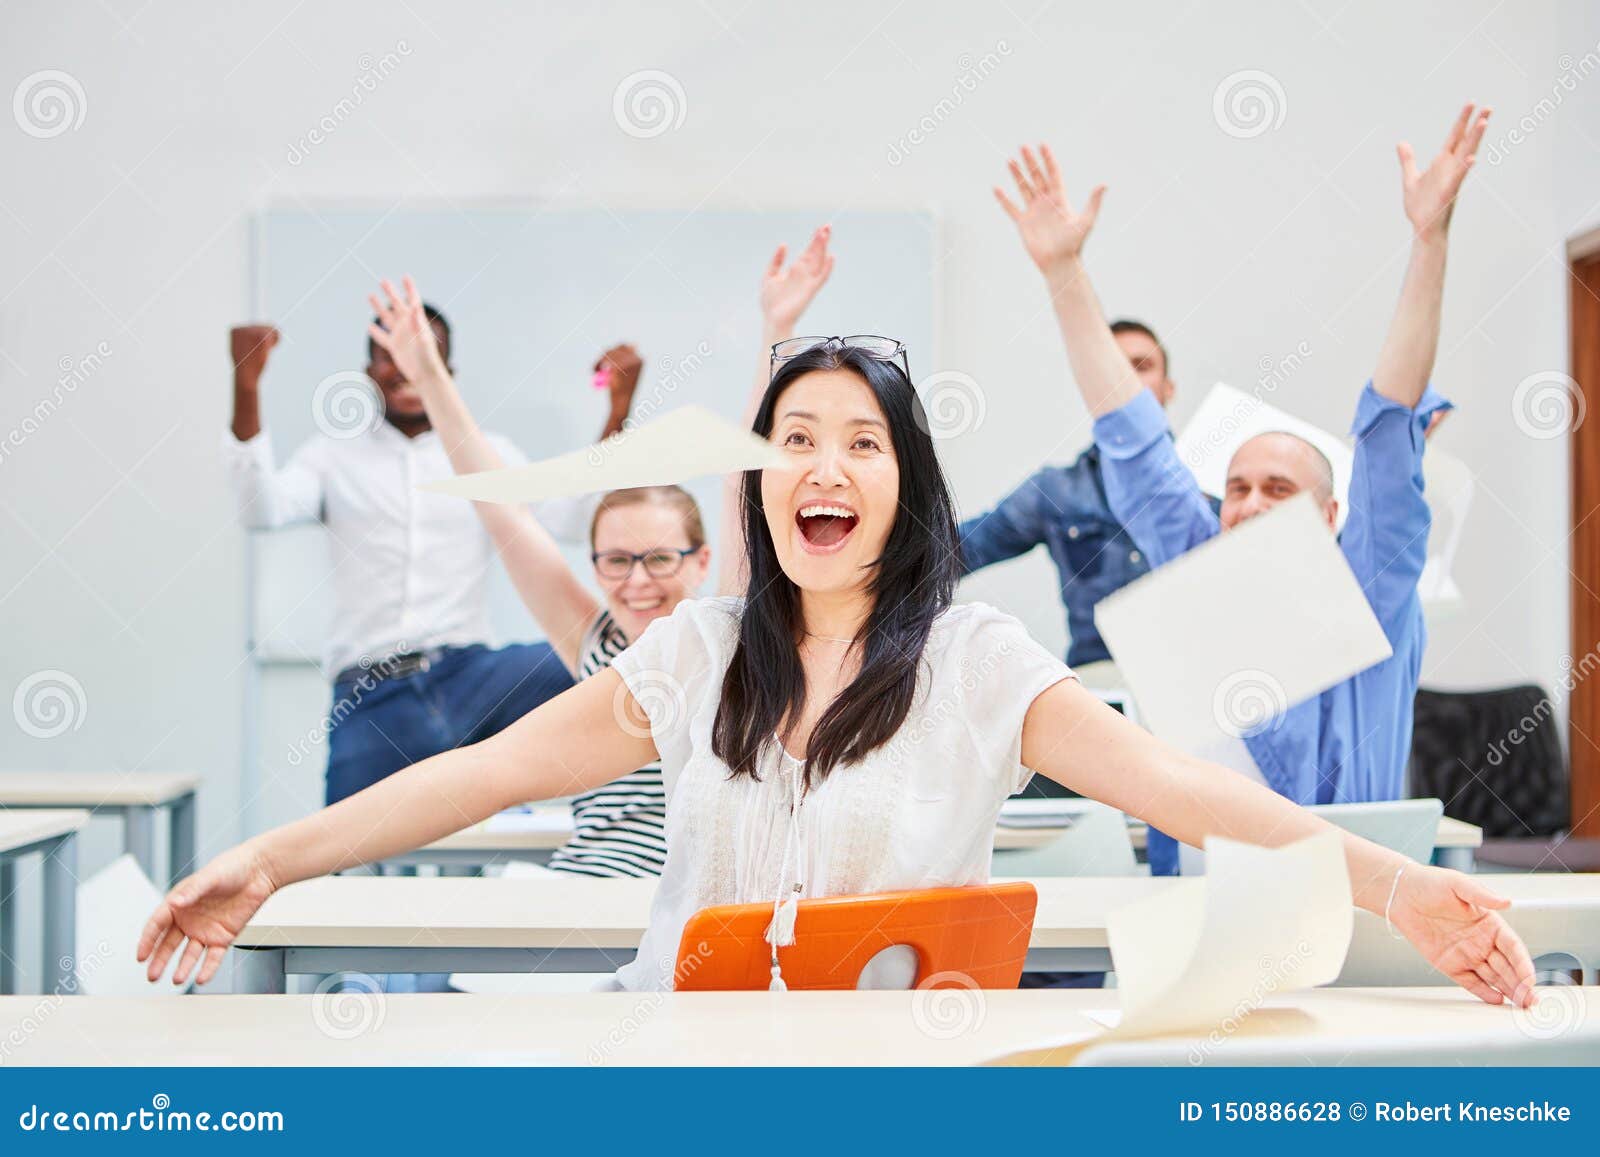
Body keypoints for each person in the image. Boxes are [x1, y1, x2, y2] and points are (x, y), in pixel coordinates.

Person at [146, 327, 1534, 1012]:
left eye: (862, 440)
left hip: (902, 1083)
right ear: (763, 484)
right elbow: (478, 773)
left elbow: (1185, 790)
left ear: (902, 486)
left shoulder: (982, 660)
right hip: (682, 1071)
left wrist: (1405, 883)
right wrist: (273, 859)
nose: (825, 461)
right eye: (795, 435)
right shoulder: (692, 655)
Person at [992, 107, 1489, 874]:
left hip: (1344, 912)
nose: (1251, 502)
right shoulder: (1199, 566)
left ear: (1329, 516)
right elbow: (1133, 436)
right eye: (1236, 487)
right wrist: (1064, 273)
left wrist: (1430, 242)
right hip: (1195, 909)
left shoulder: (1371, 591)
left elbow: (1387, 433)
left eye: (1278, 488)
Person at [365, 276, 713, 878]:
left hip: (673, 915)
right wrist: (427, 375)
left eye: (659, 558)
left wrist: (776, 330)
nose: (638, 582)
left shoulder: (723, 637)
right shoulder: (594, 644)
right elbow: (500, 508)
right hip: (579, 888)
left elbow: (755, 482)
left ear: (702, 561)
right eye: (616, 561)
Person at [222, 308, 628, 803]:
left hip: (471, 679)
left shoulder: (486, 454)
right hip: (372, 693)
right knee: (344, 865)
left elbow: (573, 520)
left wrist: (617, 410)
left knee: (605, 658)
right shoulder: (332, 454)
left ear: (445, 375)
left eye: (424, 357)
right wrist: (246, 383)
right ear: (370, 371)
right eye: (392, 357)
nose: (408, 369)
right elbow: (261, 508)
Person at [957, 318, 1179, 671]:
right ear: (1090, 387)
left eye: (1143, 366)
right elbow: (952, 551)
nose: (1127, 380)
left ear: (1168, 388)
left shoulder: (1219, 486)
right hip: (1100, 693)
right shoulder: (1056, 491)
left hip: (1195, 691)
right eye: (1112, 367)